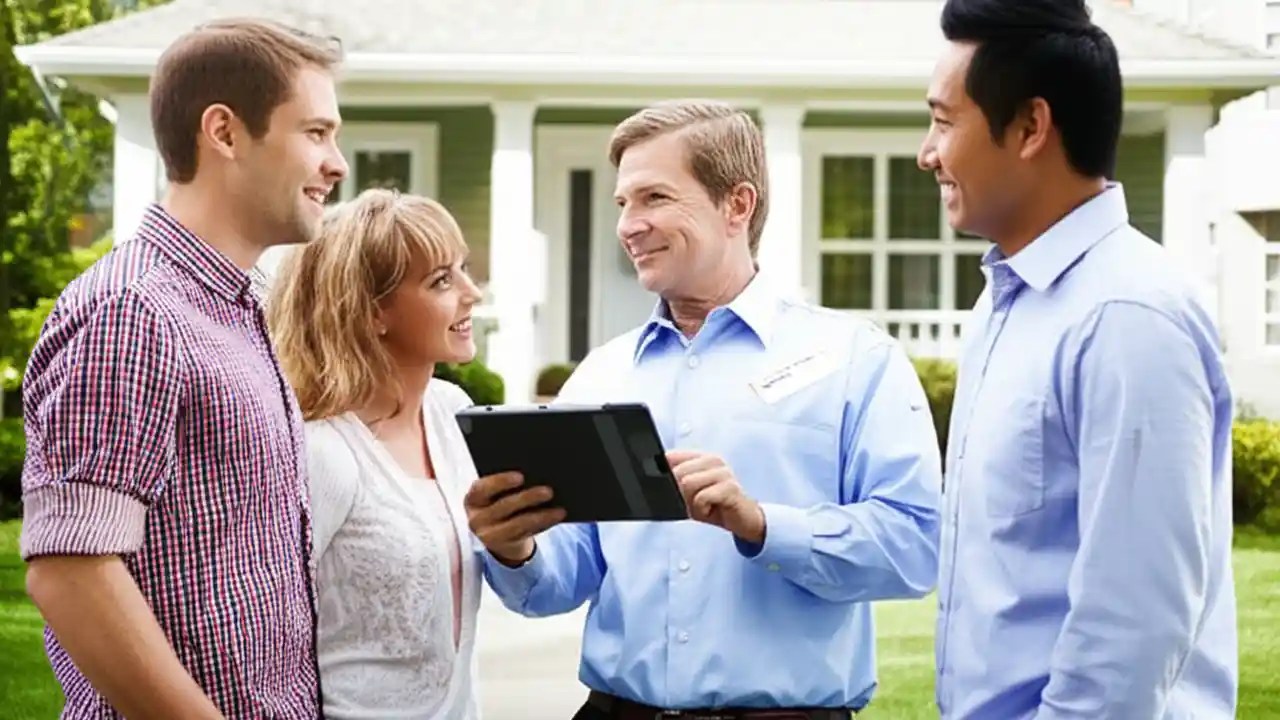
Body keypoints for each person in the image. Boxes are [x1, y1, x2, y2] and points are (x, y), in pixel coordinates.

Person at [464, 99, 943, 718]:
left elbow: (912, 550)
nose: (628, 225)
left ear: (737, 205)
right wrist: (515, 547)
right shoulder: (601, 375)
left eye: (654, 198)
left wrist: (762, 525)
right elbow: (563, 578)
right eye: (622, 203)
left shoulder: (854, 358)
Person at [18, 18, 347, 719]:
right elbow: (72, 571)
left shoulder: (239, 305)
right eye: (316, 133)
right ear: (224, 132)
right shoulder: (133, 312)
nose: (337, 164)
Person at [919, 1, 1238, 718]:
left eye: (943, 121)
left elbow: (1134, 625)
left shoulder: (1128, 315)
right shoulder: (1005, 302)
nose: (927, 153)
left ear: (1031, 127)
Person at [265, 189, 487, 719]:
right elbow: (263, 636)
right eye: (441, 281)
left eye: (463, 269)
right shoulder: (323, 452)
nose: (472, 294)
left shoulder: (452, 414)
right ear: (372, 312)